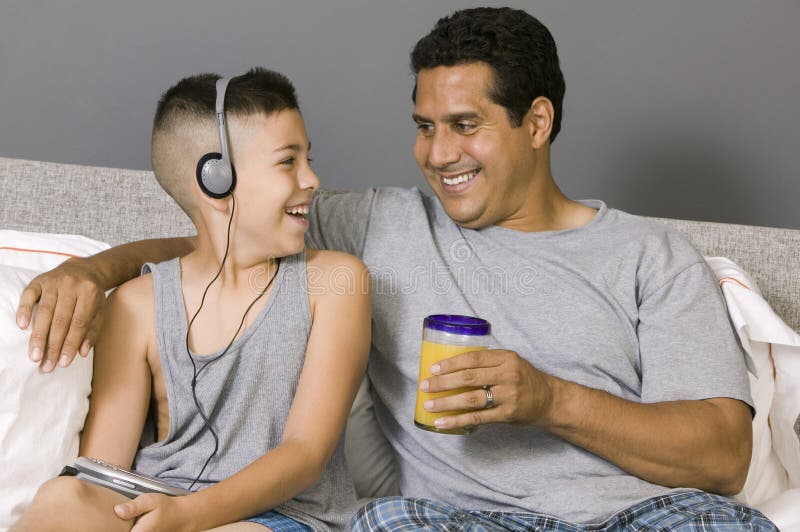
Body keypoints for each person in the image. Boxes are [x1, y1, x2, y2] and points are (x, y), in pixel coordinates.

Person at [16, 7, 777, 531]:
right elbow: (224, 233)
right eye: (424, 127)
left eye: (465, 126)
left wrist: (548, 398)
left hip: (631, 518)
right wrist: (97, 269)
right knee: (383, 523)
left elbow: (722, 456)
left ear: (537, 123)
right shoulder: (379, 225)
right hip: (457, 522)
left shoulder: (652, 257)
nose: (438, 154)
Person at [13, 68, 370, 531]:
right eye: (288, 162)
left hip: (280, 515)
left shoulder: (336, 283)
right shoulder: (136, 305)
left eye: (308, 159)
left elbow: (305, 453)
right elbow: (105, 471)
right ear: (216, 180)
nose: (313, 179)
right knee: (65, 495)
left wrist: (187, 516)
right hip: (157, 503)